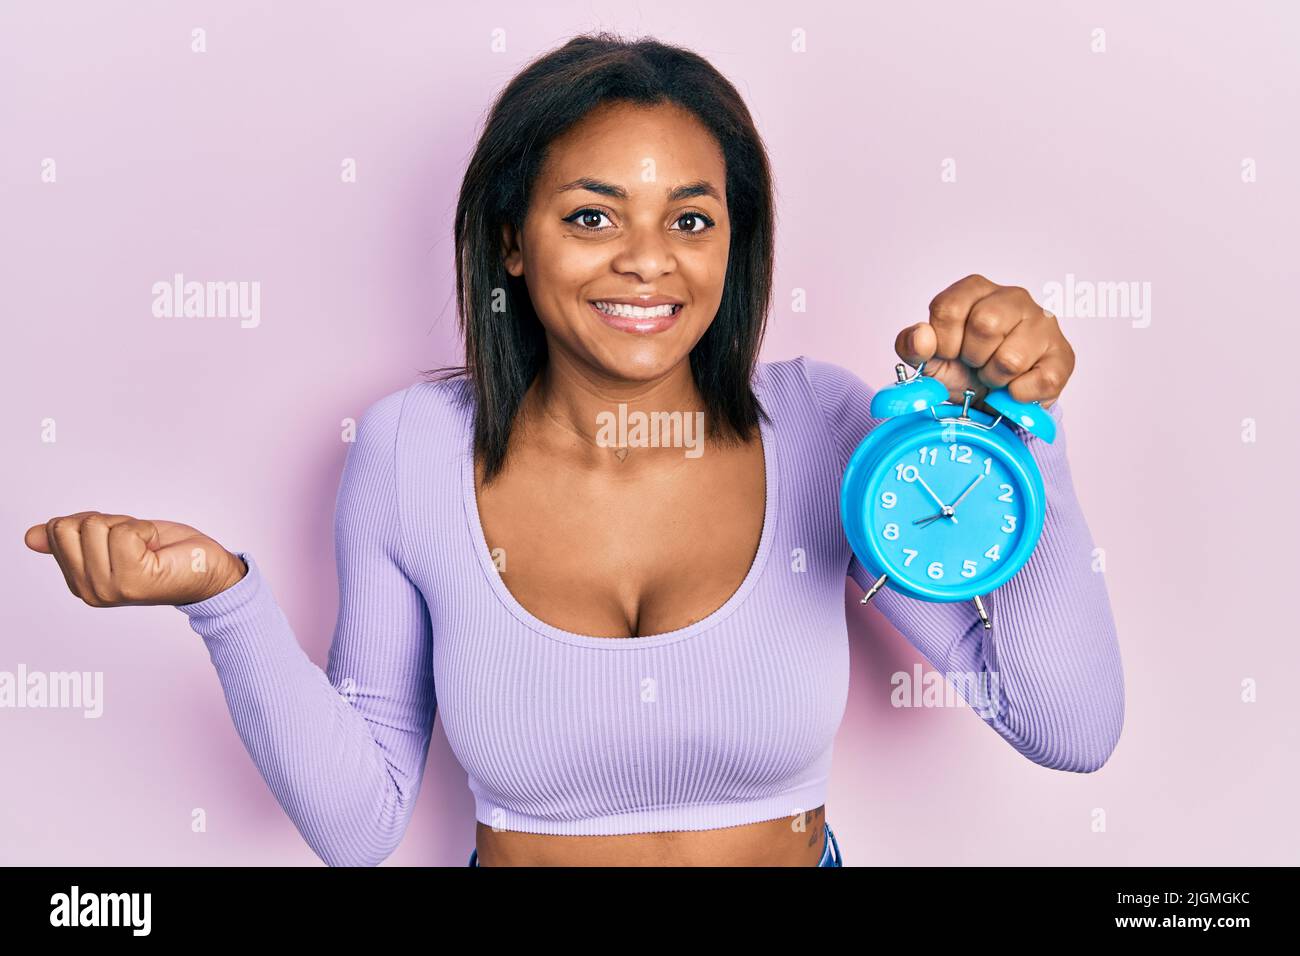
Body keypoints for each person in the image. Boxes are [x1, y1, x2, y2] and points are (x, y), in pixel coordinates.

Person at [22, 32, 1123, 867]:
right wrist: (222, 599)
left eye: (691, 219)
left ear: (733, 244)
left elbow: (1063, 724)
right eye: (593, 216)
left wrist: (1015, 438)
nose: (647, 262)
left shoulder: (826, 425)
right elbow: (359, 823)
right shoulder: (410, 450)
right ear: (509, 236)